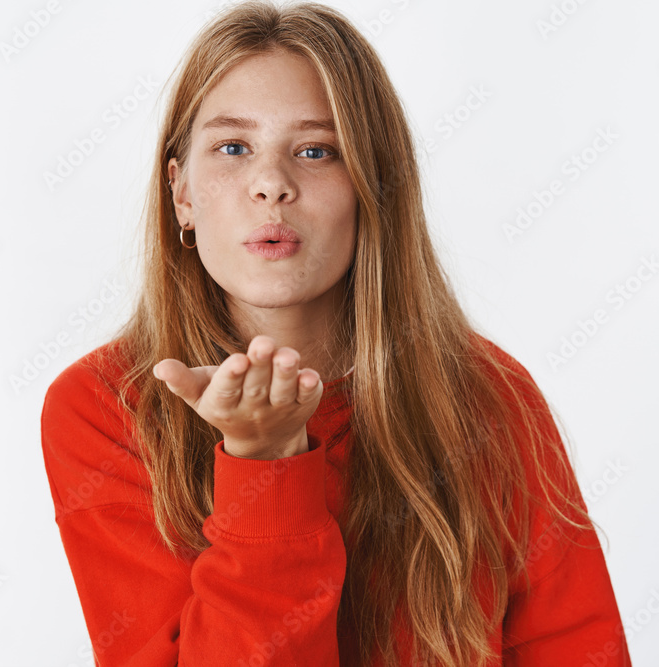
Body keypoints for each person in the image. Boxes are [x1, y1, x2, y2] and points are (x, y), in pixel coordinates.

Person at [39, 2, 632, 664]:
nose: (271, 184)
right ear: (181, 193)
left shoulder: (491, 396)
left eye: (316, 150)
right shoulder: (101, 406)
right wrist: (265, 464)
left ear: (372, 186)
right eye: (233, 148)